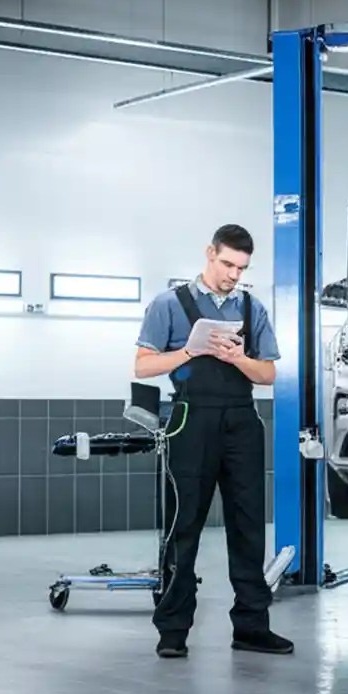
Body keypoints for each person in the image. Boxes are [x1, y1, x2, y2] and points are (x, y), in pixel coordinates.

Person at [133, 224, 294, 659]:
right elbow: (143, 366)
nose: (233, 275)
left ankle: (251, 627)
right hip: (190, 418)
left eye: (241, 268)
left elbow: (268, 375)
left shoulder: (251, 307)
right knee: (183, 526)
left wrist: (237, 357)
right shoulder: (169, 304)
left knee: (247, 526)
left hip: (242, 420)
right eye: (227, 264)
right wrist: (191, 350)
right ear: (210, 254)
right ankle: (172, 630)